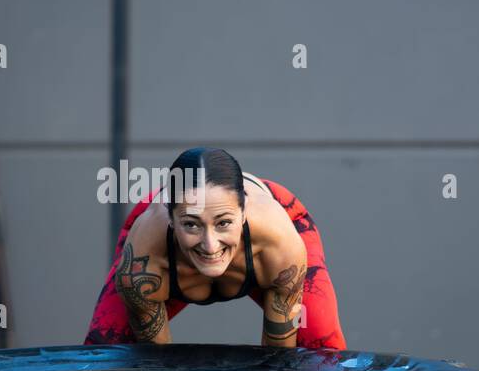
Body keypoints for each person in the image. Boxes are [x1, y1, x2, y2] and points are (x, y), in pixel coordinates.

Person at [85, 147, 346, 348]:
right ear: (171, 219)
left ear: (244, 214)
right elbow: (157, 365)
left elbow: (279, 361)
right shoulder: (144, 257)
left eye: (223, 224)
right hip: (166, 239)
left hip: (268, 227)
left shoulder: (278, 242)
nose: (210, 246)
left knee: (322, 348)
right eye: (191, 225)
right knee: (104, 350)